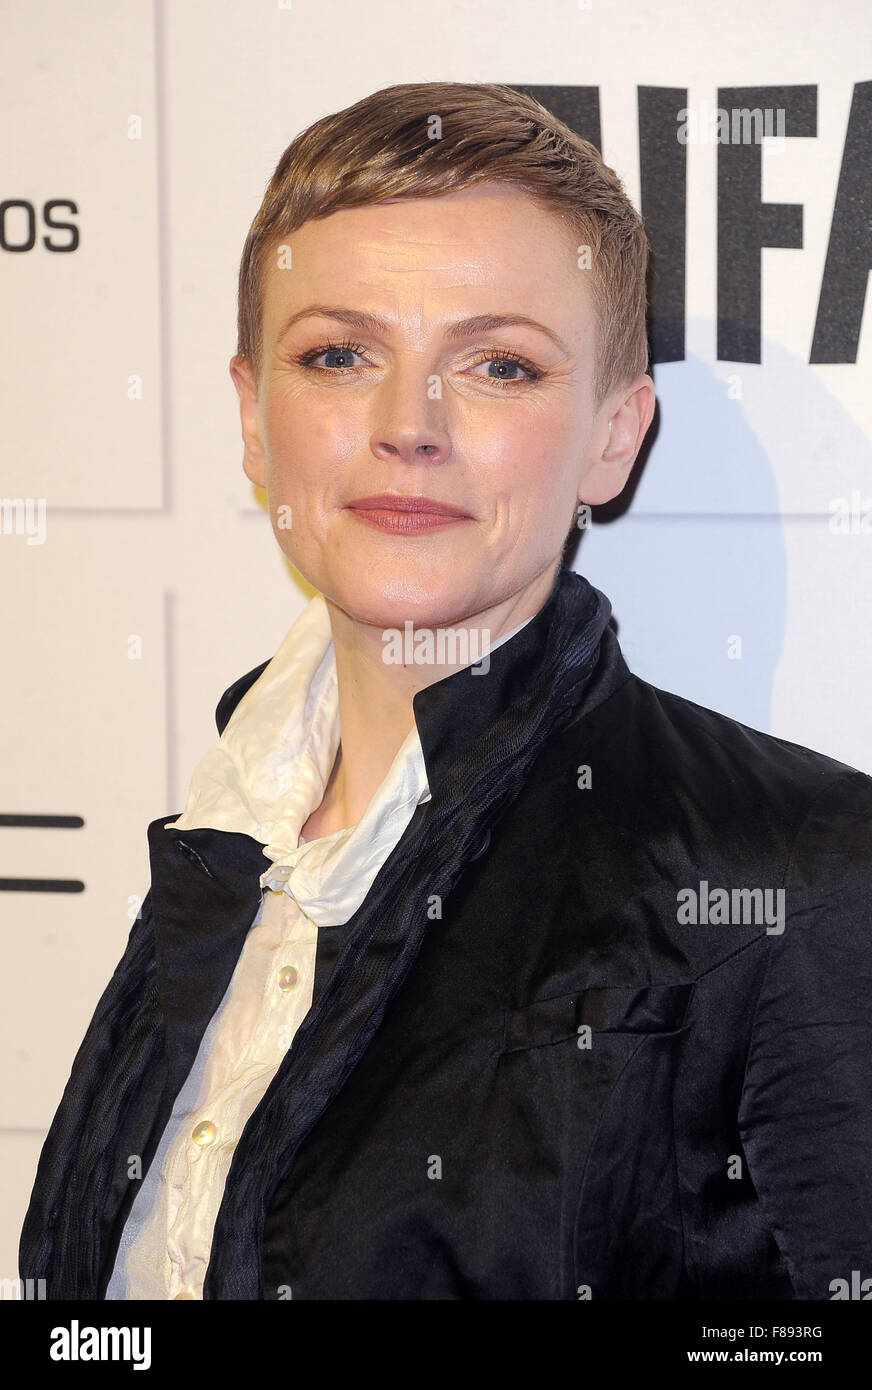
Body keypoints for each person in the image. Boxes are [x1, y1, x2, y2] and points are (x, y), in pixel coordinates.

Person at [20, 80, 872, 1301]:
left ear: (612, 437)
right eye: (338, 353)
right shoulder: (226, 836)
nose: (404, 422)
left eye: (498, 365)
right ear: (255, 420)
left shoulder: (800, 867)